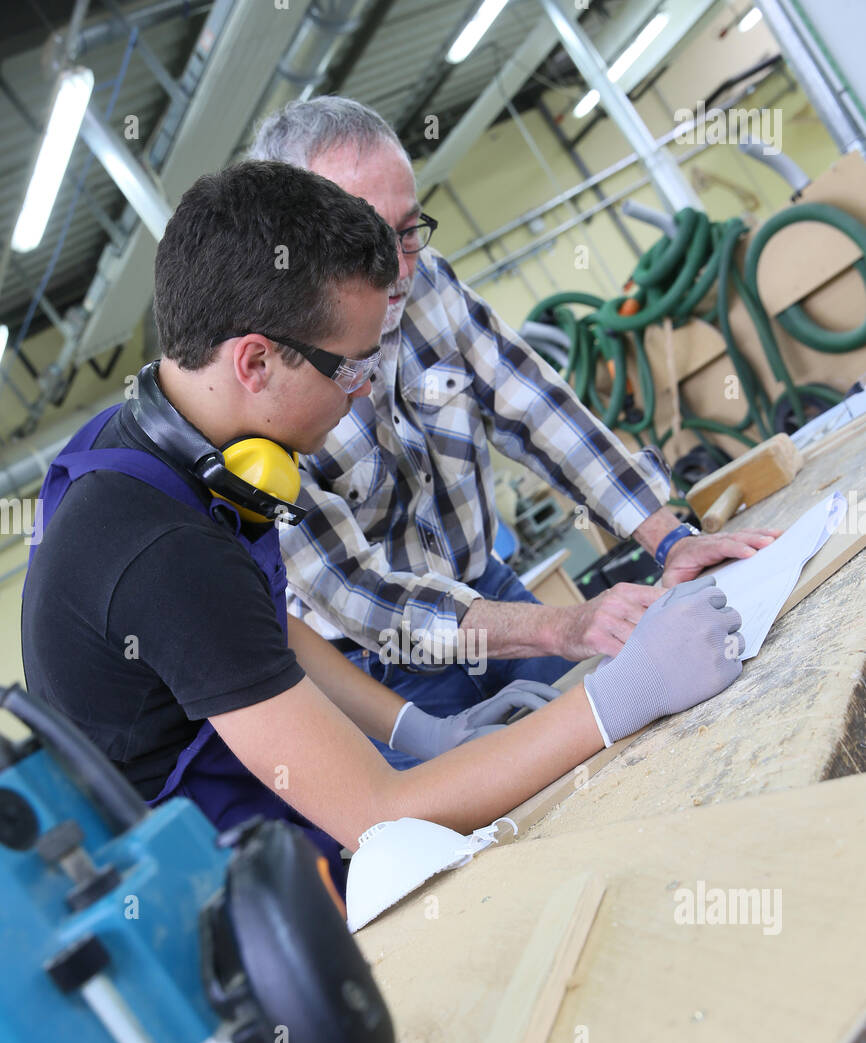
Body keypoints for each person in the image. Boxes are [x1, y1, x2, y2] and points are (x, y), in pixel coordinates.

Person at [21, 161, 745, 888]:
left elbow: (259, 627)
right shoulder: (164, 554)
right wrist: (630, 690)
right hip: (217, 884)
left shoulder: (154, 440)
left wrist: (419, 730)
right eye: (351, 368)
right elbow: (378, 814)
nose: (365, 388)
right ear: (255, 362)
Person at [250, 97, 776, 768]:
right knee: (517, 838)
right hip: (389, 667)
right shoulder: (272, 387)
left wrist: (667, 535)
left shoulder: (425, 285)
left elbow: (534, 407)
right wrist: (564, 625)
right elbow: (364, 594)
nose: (401, 269)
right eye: (367, 246)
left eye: (410, 232)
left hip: (487, 588)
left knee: (641, 749)